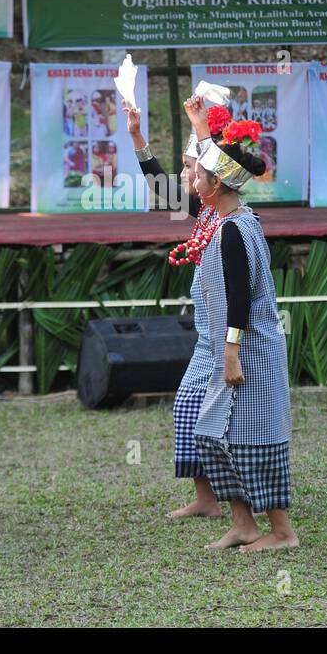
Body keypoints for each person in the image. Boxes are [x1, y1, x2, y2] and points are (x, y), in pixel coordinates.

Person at [182, 100, 296, 552]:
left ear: (217, 184)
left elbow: (240, 296)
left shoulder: (234, 229)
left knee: (255, 439)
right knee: (211, 434)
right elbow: (214, 159)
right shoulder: (218, 217)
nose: (191, 180)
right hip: (228, 349)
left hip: (249, 350)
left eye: (197, 175)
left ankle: (283, 532)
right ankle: (243, 523)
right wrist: (198, 126)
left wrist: (231, 350)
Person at [123, 86, 227, 520]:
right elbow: (165, 193)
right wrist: (136, 138)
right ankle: (209, 499)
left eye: (190, 169)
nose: (184, 177)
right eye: (185, 168)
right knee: (189, 407)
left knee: (218, 417)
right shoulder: (205, 213)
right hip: (211, 335)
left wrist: (201, 129)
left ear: (213, 175)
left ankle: (245, 503)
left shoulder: (231, 216)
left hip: (232, 336)